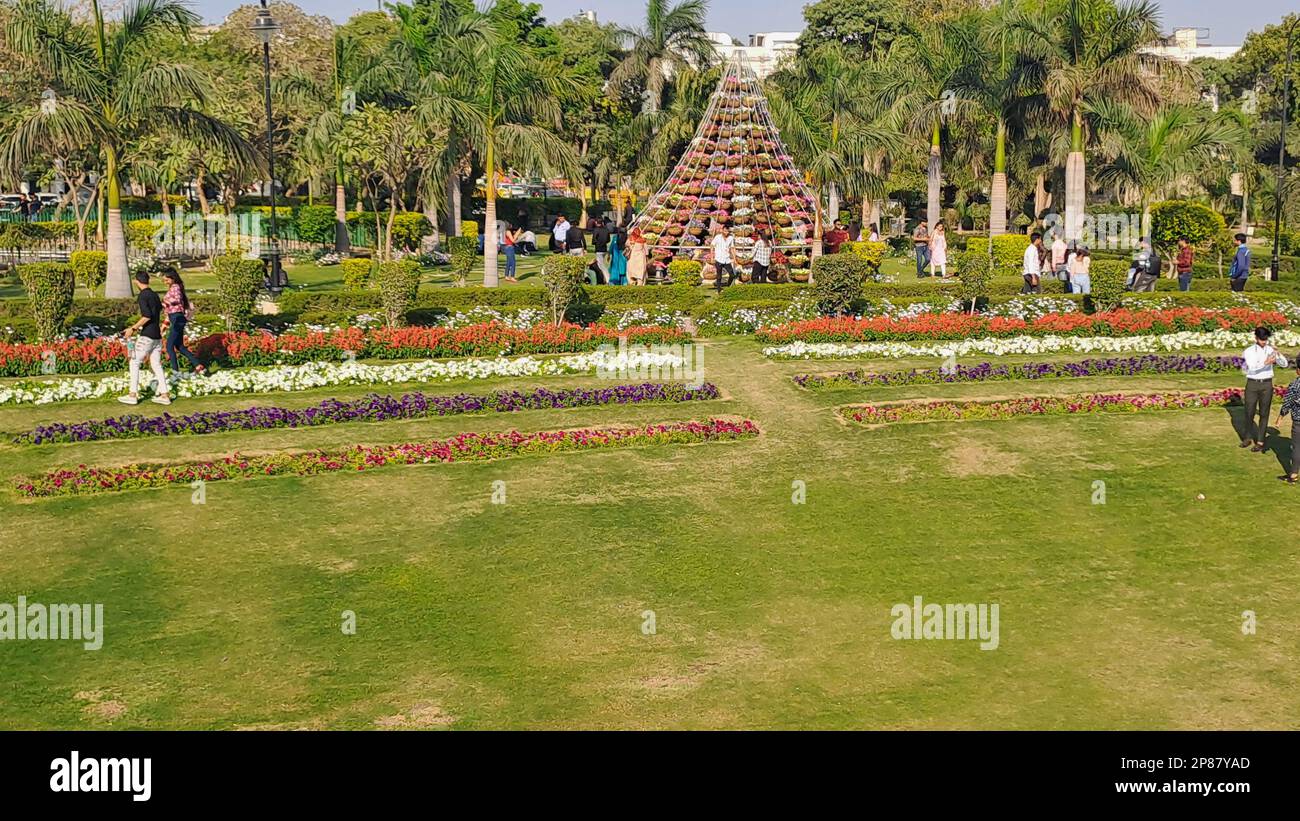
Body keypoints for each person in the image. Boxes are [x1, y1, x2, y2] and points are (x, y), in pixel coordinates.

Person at [119, 271, 172, 405]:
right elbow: (160, 310)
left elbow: (146, 315)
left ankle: (132, 394)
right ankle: (164, 395)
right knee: (156, 365)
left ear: (137, 281)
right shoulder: (154, 295)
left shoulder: (143, 296)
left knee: (134, 362)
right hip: (157, 337)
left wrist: (132, 328)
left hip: (147, 336)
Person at [1242, 326, 1287, 452]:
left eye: (1265, 339)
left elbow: (1284, 364)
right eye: (1262, 339)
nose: (1264, 342)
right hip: (1252, 383)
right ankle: (1247, 437)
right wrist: (1265, 363)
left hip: (1267, 384)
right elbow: (1252, 367)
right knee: (1249, 411)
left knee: (1264, 412)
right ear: (1256, 338)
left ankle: (1260, 441)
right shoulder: (1249, 351)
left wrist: (1277, 355)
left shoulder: (1270, 349)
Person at [161, 269, 203, 376]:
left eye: (166, 279)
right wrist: (164, 325)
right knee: (179, 346)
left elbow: (177, 300)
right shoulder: (174, 287)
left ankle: (175, 371)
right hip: (175, 318)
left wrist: (165, 303)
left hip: (177, 318)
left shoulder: (176, 287)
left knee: (170, 346)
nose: (165, 282)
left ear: (172, 278)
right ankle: (198, 365)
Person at [1276, 358, 1300, 484]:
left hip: (1298, 422)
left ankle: (1294, 475)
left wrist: (1280, 417)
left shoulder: (1295, 385)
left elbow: (1287, 403)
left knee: (1297, 448)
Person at [712, 225, 735, 291]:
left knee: (732, 274)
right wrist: (712, 257)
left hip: (726, 259)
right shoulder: (717, 237)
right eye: (725, 231)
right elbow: (712, 246)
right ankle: (719, 289)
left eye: (727, 231)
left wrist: (734, 258)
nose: (726, 232)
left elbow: (732, 248)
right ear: (722, 230)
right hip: (719, 258)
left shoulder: (731, 238)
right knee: (719, 275)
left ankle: (728, 285)